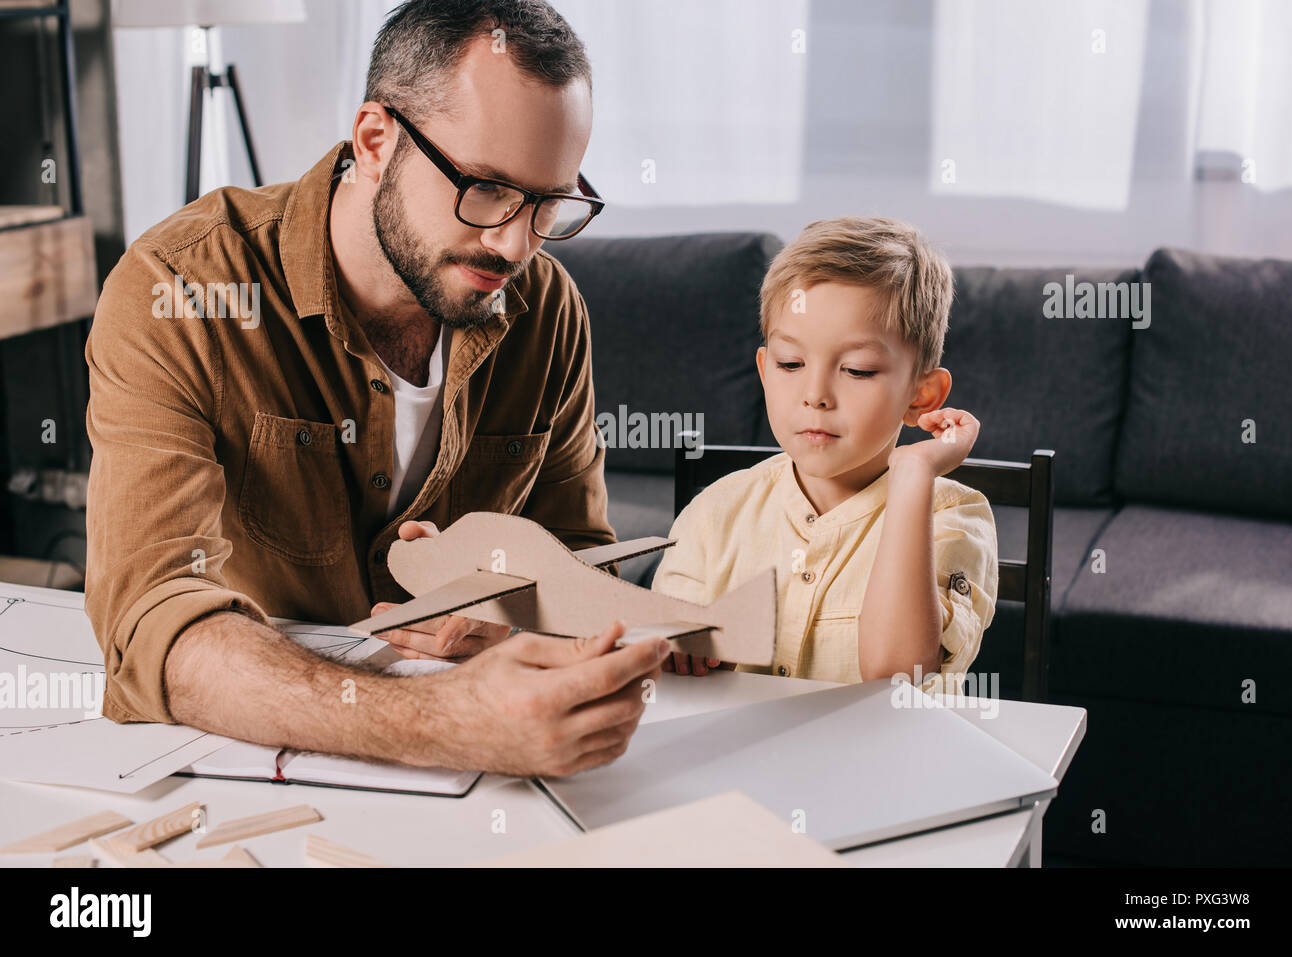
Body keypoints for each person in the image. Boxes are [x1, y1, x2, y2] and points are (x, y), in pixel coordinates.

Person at [83, 0, 669, 777]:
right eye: (488, 188)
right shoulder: (181, 289)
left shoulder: (548, 309)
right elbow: (152, 618)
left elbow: (584, 565)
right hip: (239, 754)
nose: (514, 243)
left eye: (548, 203)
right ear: (375, 141)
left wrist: (503, 617)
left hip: (494, 778)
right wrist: (443, 722)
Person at [652, 217, 998, 695]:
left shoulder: (954, 516)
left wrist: (913, 473)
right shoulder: (715, 513)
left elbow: (898, 677)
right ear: (764, 370)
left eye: (857, 370)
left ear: (922, 395)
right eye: (790, 364)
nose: (814, 395)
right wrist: (676, 647)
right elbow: (662, 666)